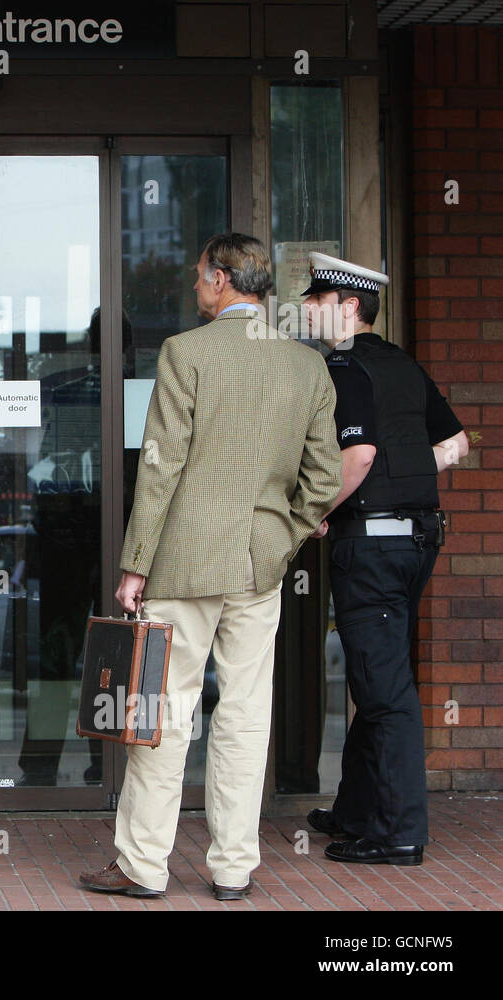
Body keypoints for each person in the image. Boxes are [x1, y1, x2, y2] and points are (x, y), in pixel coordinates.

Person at [78, 233, 341, 899]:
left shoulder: (185, 353)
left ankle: (142, 865)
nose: (195, 287)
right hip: (261, 567)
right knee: (247, 717)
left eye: (200, 276)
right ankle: (233, 870)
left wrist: (135, 564)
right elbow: (323, 476)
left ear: (223, 280)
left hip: (186, 563)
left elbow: (162, 465)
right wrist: (284, 535)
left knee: (165, 717)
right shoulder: (306, 365)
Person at [300, 252, 468, 866]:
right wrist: (412, 472)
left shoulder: (341, 368)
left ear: (348, 308)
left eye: (316, 302)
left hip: (369, 544)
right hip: (418, 539)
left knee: (385, 691)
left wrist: (313, 513)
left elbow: (359, 456)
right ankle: (354, 810)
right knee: (378, 676)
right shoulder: (403, 365)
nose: (308, 311)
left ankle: (398, 833)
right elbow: (457, 444)